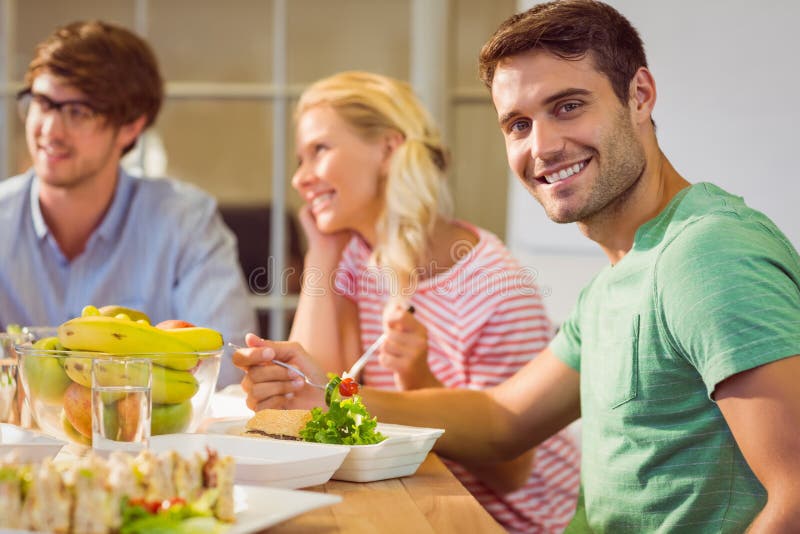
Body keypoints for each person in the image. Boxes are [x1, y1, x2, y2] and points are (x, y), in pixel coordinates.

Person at [235, 0, 800, 531]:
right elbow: (504, 420)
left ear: (641, 95)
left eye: (568, 106)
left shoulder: (706, 257)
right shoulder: (621, 274)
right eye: (518, 125)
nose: (544, 146)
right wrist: (328, 394)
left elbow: (795, 498)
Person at [264, 71, 578, 533]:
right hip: (419, 501)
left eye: (319, 151)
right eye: (300, 158)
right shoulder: (354, 257)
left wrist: (418, 376)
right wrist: (322, 253)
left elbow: (511, 472)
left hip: (514, 523)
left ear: (388, 148)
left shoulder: (495, 286)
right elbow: (311, 399)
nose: (299, 178)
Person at [0, 20, 257, 386]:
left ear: (131, 126)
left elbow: (225, 366)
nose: (50, 129)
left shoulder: (186, 222)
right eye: (43, 103)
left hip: (143, 442)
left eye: (78, 111)